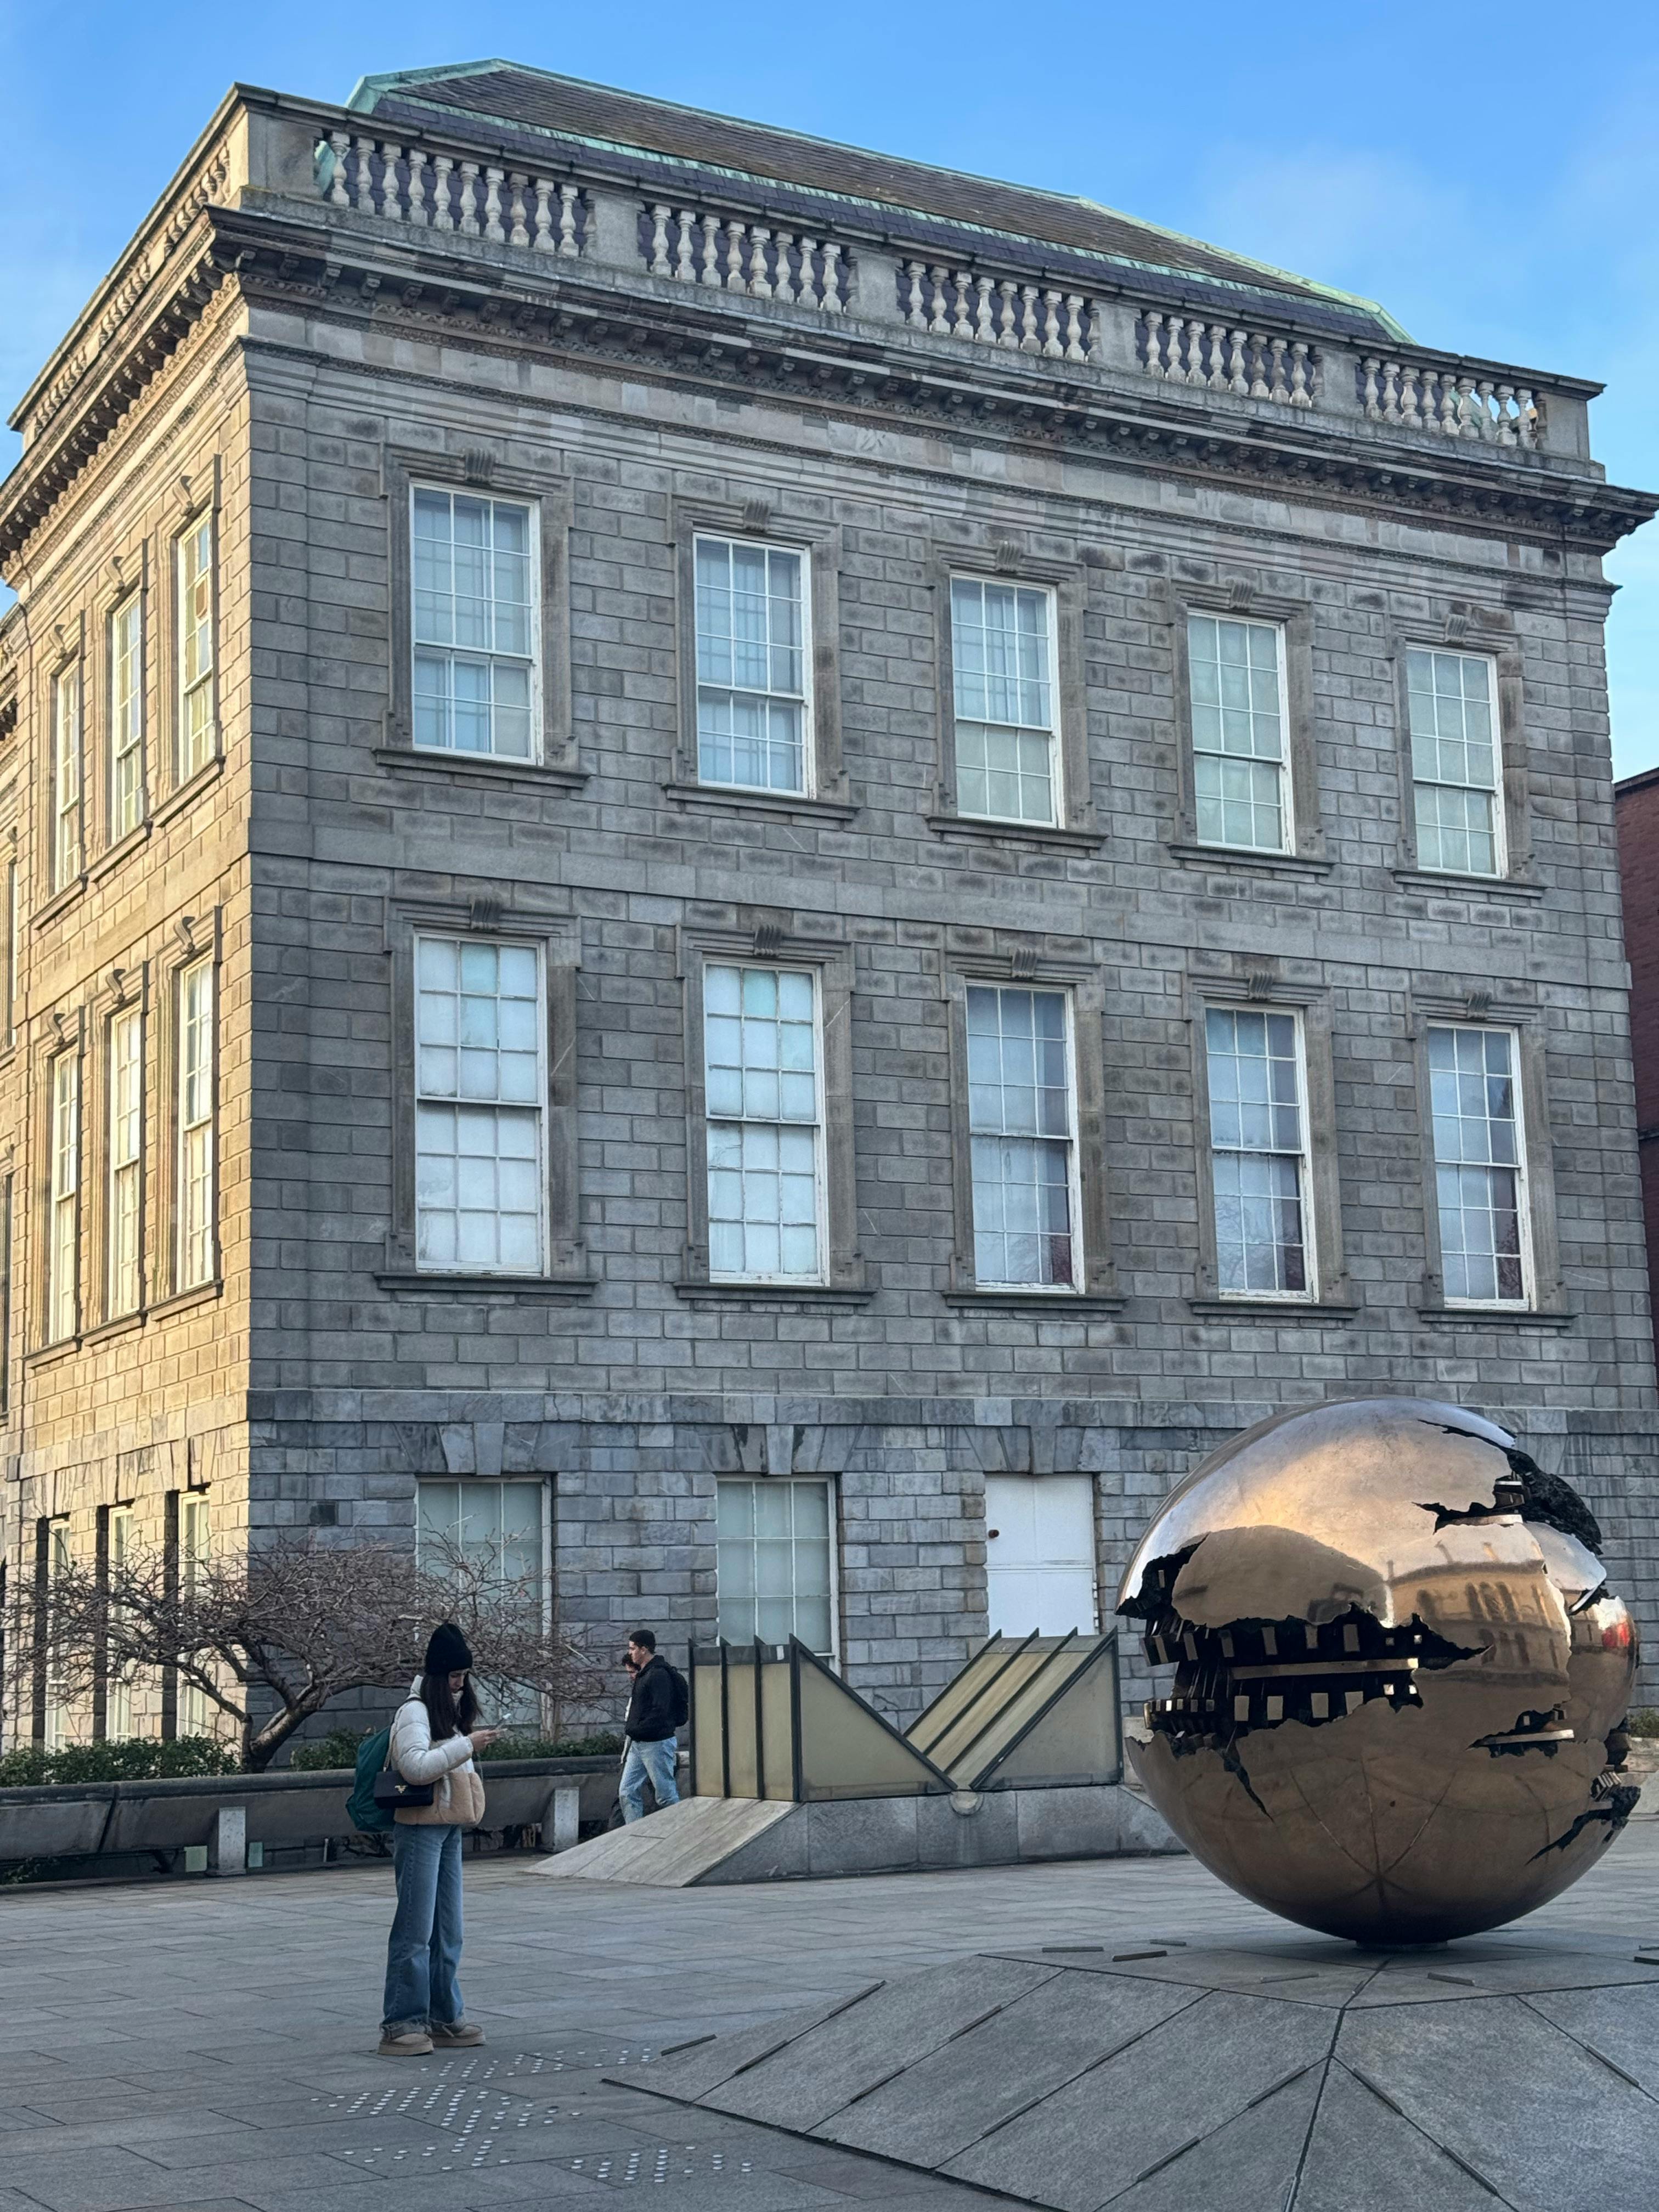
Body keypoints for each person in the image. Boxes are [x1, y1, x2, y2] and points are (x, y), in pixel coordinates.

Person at [379, 1622, 501, 2057]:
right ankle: (401, 2022)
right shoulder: (414, 1712)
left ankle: (444, 2016)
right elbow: (415, 1767)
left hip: (447, 1824)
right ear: (436, 1675)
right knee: (415, 1929)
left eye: (464, 1677)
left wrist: (465, 1742)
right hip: (419, 1827)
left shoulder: (447, 1712)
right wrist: (467, 1745)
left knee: (449, 1927)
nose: (460, 1685)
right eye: (453, 1677)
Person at [618, 1628, 686, 1823]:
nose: (630, 1652)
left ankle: (679, 1832)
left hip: (656, 1743)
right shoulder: (645, 1674)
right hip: (639, 1744)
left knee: (665, 1796)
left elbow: (661, 1711)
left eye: (633, 1649)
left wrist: (639, 1728)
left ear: (644, 1649)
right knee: (627, 1791)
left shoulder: (658, 1675)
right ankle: (634, 1833)